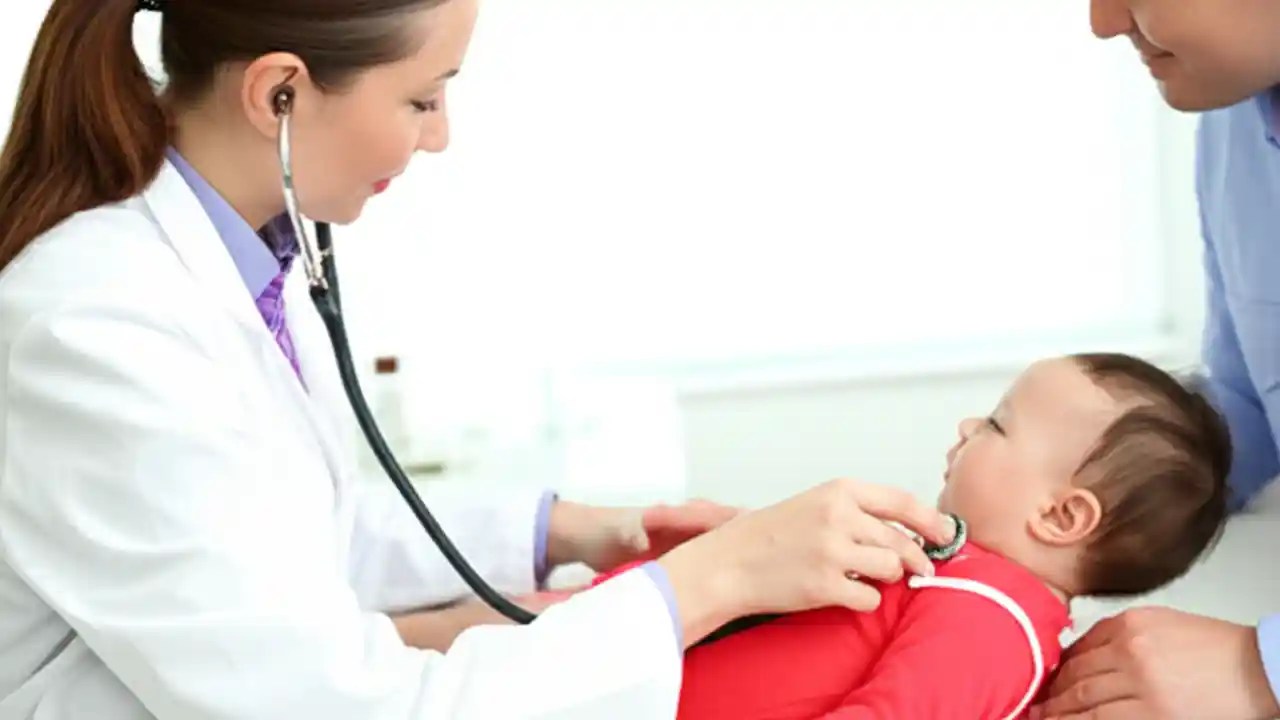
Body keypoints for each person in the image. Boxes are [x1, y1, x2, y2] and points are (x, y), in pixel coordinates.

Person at [0, 1, 954, 718]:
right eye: (422, 96)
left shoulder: (242, 270)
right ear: (278, 92)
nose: (440, 135)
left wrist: (580, 533)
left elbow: (286, 529)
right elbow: (323, 704)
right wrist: (714, 582)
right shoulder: (96, 328)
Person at [588, 353, 1230, 719]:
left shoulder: (997, 625)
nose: (968, 424)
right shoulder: (953, 576)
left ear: (1060, 517)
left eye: (999, 425)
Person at [1029, 2, 1280, 719]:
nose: (1104, 23)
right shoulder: (1235, 124)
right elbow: (1245, 403)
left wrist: (1261, 670)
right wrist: (1007, 507)